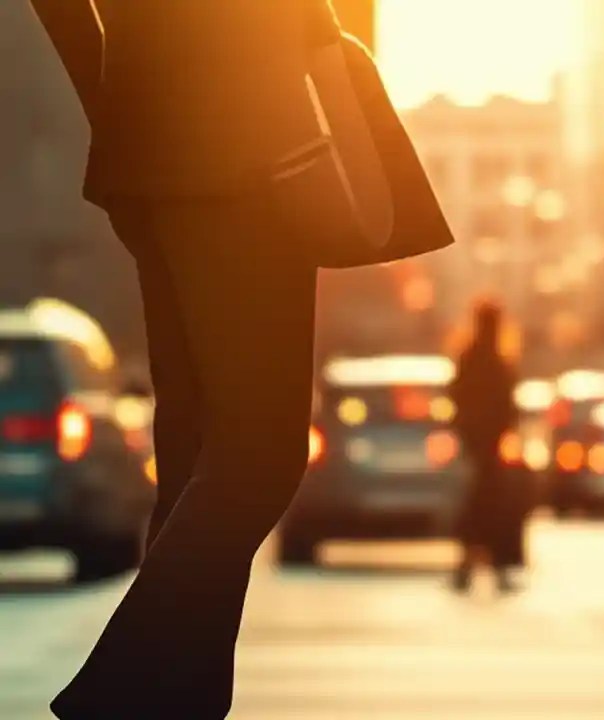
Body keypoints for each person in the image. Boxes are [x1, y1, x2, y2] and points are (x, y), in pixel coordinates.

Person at [29, 2, 358, 718]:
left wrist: (115, 106)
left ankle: (178, 703)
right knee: (259, 455)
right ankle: (116, 692)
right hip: (248, 143)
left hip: (156, 148)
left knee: (197, 452)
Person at [449, 300, 521, 593]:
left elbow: (457, 395)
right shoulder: (493, 359)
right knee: (490, 505)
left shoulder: (471, 357)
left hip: (479, 443)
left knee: (481, 505)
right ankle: (488, 565)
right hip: (487, 444)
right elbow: (505, 403)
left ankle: (471, 565)